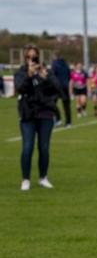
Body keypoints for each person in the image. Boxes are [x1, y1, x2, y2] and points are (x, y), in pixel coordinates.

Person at [15, 45, 60, 191]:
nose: (31, 59)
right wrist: (29, 75)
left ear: (38, 57)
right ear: (24, 58)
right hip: (28, 115)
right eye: (28, 57)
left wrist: (45, 78)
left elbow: (57, 88)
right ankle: (25, 179)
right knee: (27, 147)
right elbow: (20, 88)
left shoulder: (46, 71)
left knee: (44, 148)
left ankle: (43, 177)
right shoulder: (21, 72)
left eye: (34, 57)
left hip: (45, 114)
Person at [50, 54, 71, 128]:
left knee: (51, 103)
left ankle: (58, 119)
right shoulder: (66, 65)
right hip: (65, 86)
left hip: (56, 87)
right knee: (66, 105)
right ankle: (68, 122)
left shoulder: (54, 64)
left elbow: (52, 76)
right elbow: (69, 75)